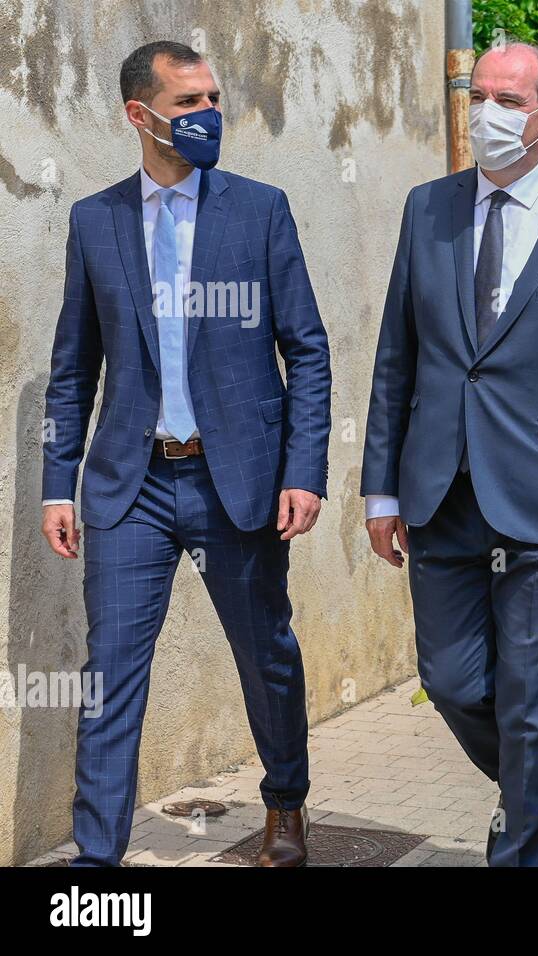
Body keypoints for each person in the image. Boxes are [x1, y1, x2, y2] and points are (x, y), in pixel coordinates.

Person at [361, 40, 538, 867]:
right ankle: (535, 789)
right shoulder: (429, 208)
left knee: (529, 705)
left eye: (510, 100)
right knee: (451, 683)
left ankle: (519, 847)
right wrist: (380, 489)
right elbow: (396, 357)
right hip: (439, 492)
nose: (488, 113)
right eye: (478, 95)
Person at [42, 41, 331, 867]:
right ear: (141, 115)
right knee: (111, 674)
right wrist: (55, 485)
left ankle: (285, 804)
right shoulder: (94, 221)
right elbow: (72, 368)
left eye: (213, 97)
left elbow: (306, 349)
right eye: (190, 102)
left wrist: (303, 470)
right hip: (129, 486)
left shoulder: (260, 209)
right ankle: (97, 858)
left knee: (265, 651)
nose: (210, 115)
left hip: (234, 479)